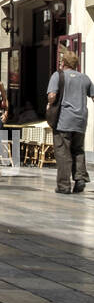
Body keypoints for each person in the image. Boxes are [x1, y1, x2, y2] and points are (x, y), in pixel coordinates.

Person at [47, 48, 93, 195]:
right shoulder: (85, 78)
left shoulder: (58, 75)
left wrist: (50, 104)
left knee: (63, 152)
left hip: (63, 120)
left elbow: (52, 96)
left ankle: (64, 186)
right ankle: (80, 178)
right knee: (78, 150)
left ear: (64, 63)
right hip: (80, 120)